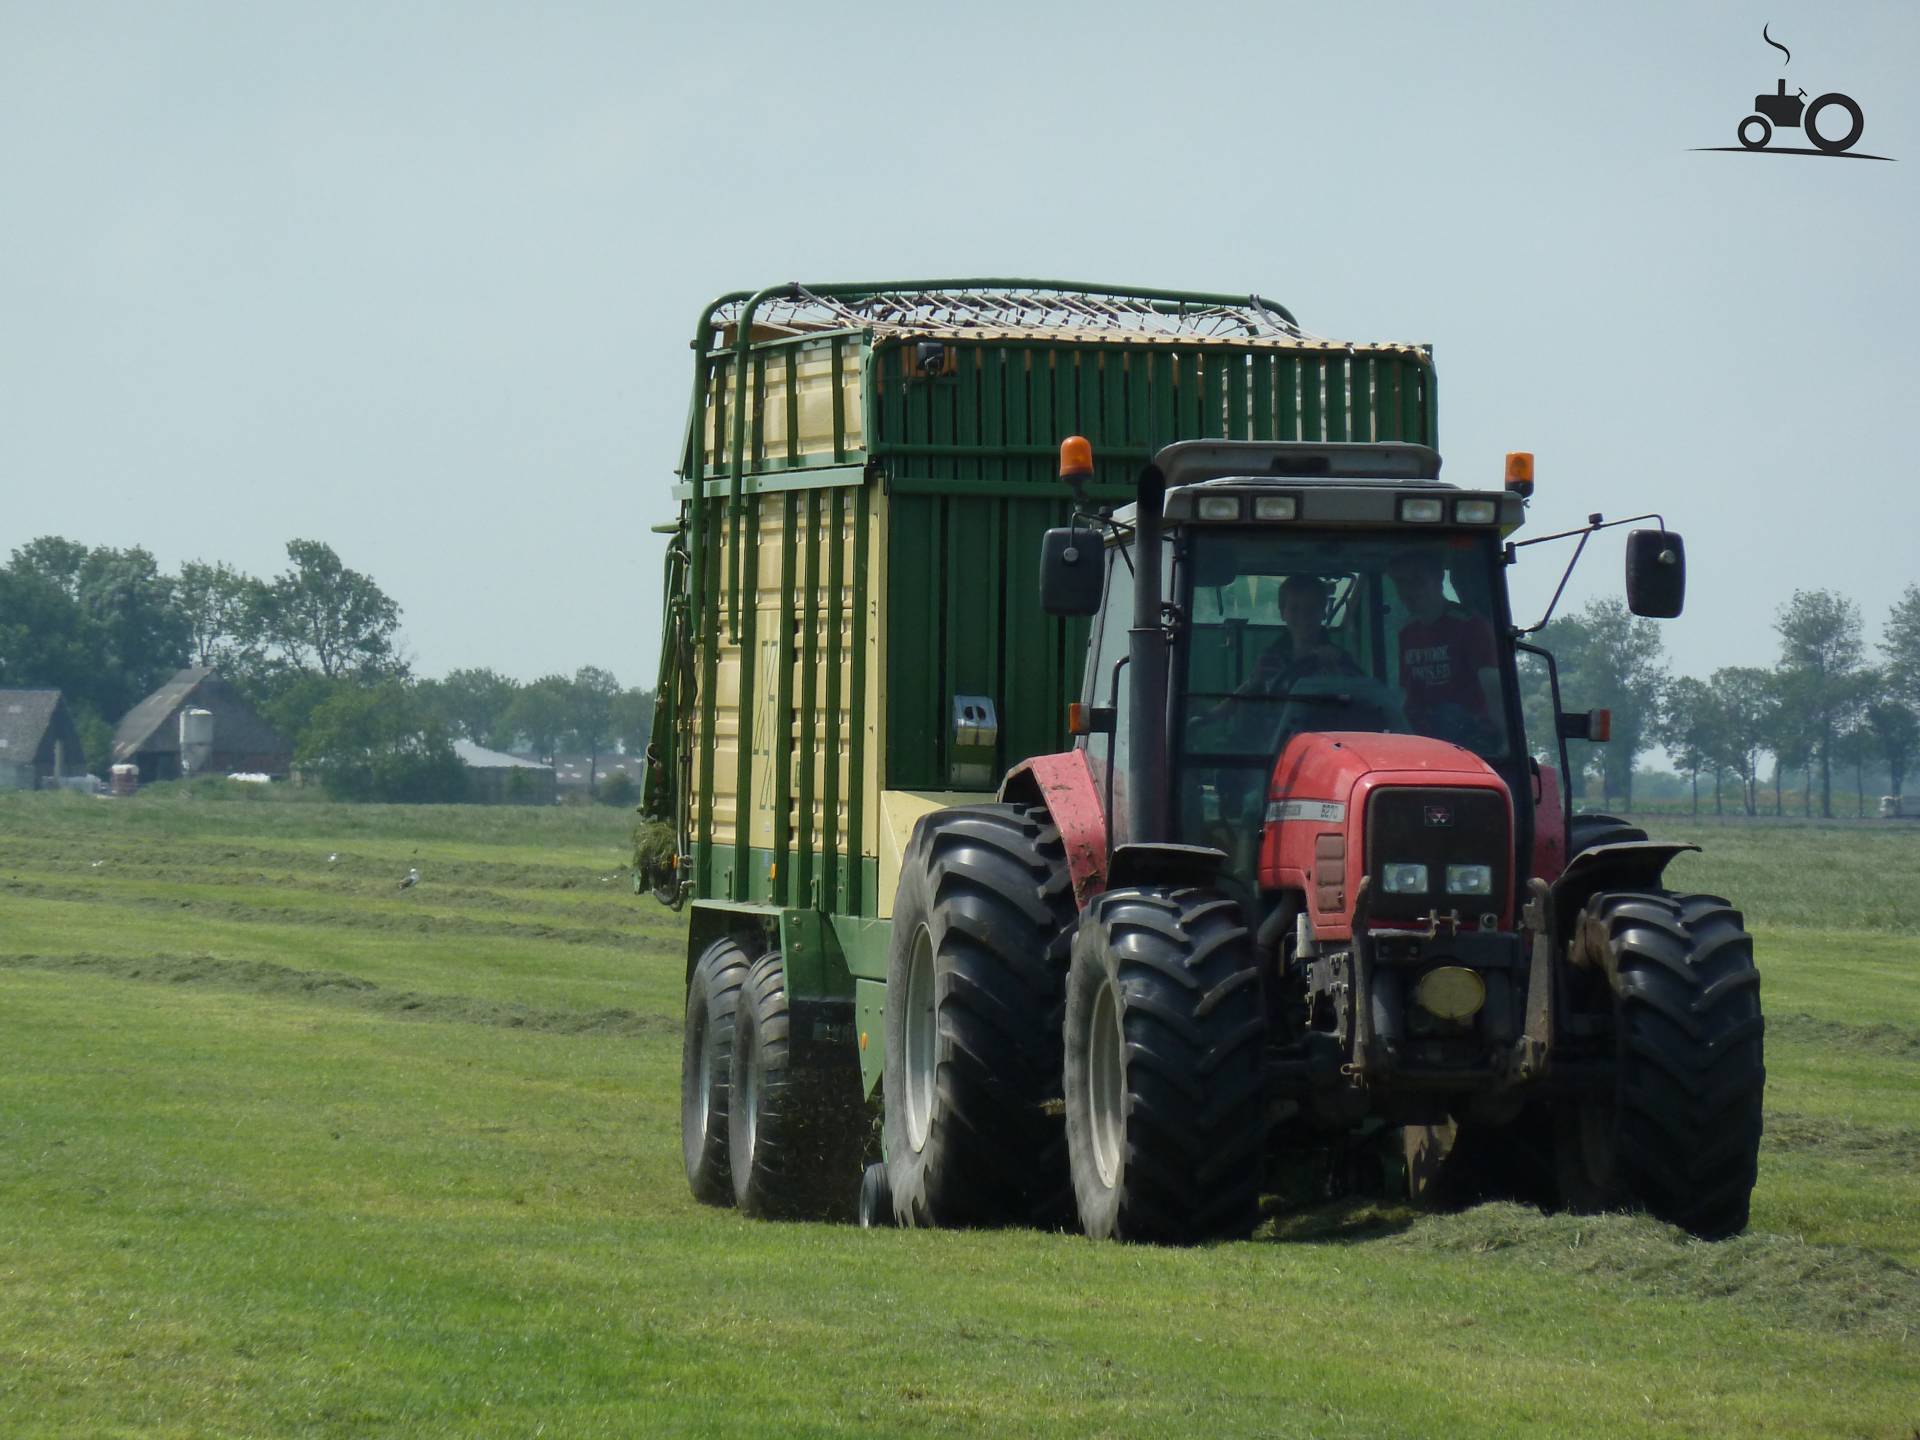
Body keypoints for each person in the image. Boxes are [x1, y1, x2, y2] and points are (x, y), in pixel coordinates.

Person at [1386, 549, 1504, 746]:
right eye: (1401, 582)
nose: (1409, 590)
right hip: (1424, 738)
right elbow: (1406, 694)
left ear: (1439, 577)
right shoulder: (1407, 633)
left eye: (1418, 579)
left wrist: (1505, 741)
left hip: (1469, 738)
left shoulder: (1470, 626)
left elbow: (1491, 686)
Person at [1231, 574, 1361, 702]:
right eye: (1294, 608)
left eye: (1311, 608)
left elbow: (1359, 701)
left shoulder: (1339, 659)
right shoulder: (1269, 659)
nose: (1303, 615)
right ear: (1282, 613)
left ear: (1323, 612)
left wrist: (1335, 673)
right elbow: (1249, 687)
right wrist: (1215, 714)